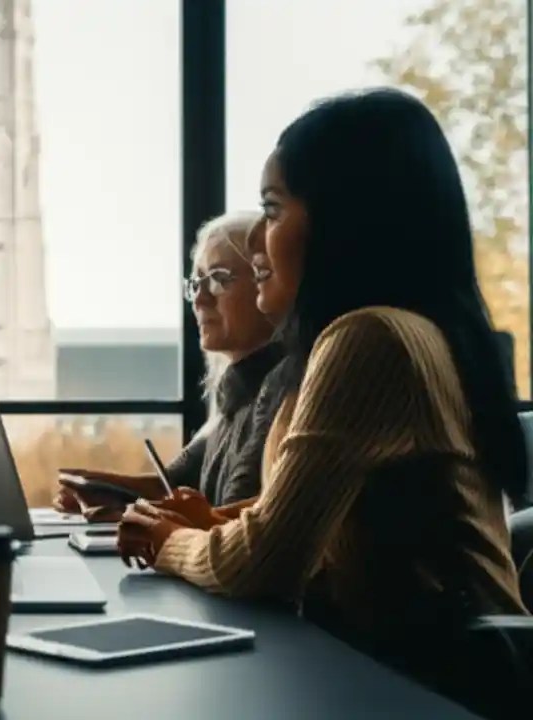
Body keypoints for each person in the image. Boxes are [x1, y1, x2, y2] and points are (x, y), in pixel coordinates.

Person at [119, 89, 529, 711]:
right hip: (398, 671)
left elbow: (264, 564)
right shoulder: (404, 332)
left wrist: (167, 543)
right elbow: (321, 520)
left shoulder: (370, 337)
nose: (256, 243)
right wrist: (210, 522)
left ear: (343, 221)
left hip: (437, 689)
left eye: (272, 210)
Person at [56, 211, 280, 519]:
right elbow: (173, 484)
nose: (199, 300)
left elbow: (231, 520)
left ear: (267, 281)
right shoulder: (236, 392)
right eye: (196, 283)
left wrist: (129, 512)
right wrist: (95, 486)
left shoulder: (279, 390)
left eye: (218, 279)